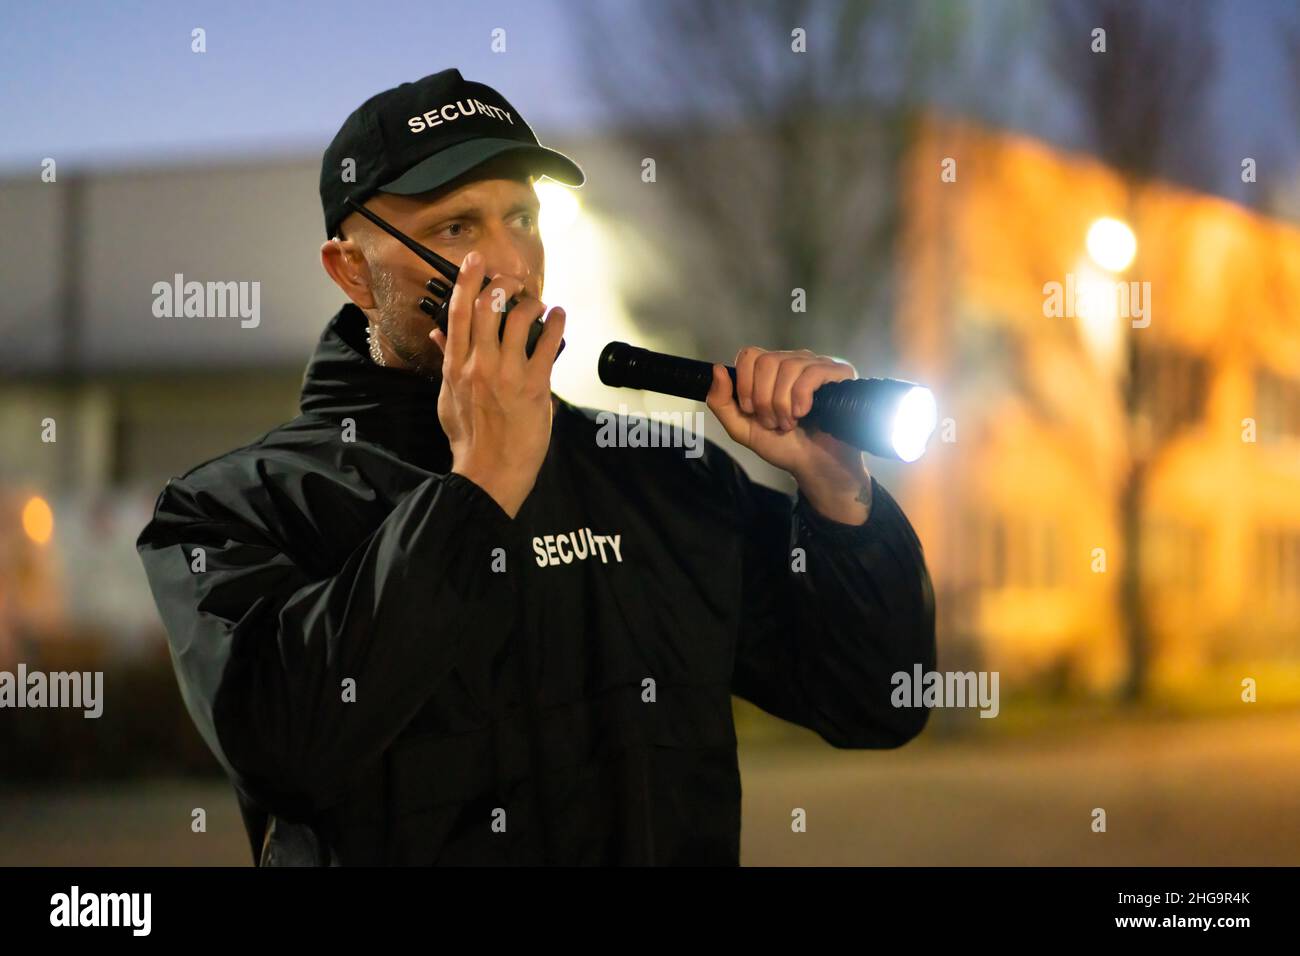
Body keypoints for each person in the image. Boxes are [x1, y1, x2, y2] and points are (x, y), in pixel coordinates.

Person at [136, 67, 936, 866]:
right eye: (455, 229)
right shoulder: (235, 509)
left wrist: (839, 496)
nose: (508, 265)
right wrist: (477, 490)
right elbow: (287, 750)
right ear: (350, 270)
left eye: (521, 217)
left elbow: (877, 701)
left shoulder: (661, 478)